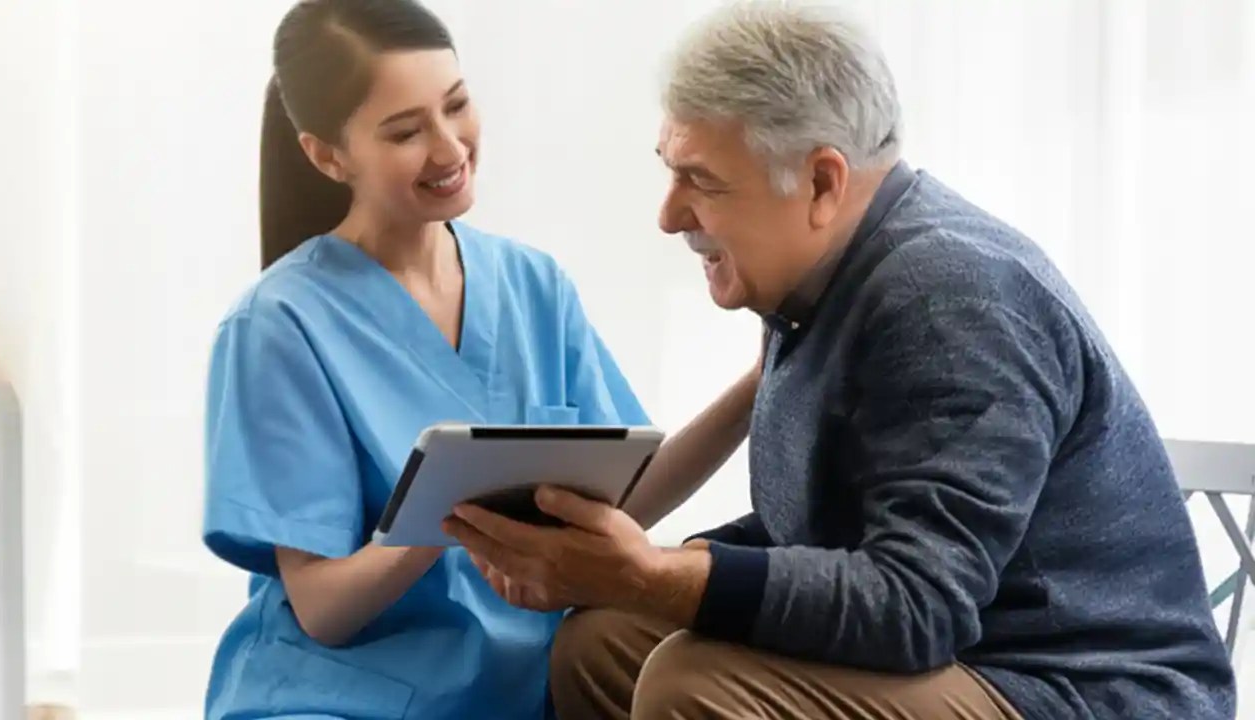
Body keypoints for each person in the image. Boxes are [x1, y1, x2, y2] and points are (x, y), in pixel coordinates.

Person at [442, 2, 1237, 719]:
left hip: (1079, 689)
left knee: (692, 681)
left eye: (702, 182)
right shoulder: (828, 287)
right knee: (605, 639)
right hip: (970, 655)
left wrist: (654, 573)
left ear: (822, 182)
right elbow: (829, 527)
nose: (669, 215)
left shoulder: (949, 300)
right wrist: (626, 571)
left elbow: (919, 604)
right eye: (668, 169)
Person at [199, 1, 759, 718]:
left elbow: (626, 501)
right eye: (405, 131)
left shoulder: (533, 286)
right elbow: (323, 610)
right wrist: (450, 509)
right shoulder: (278, 325)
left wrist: (759, 382)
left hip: (519, 690)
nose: (448, 147)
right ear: (327, 154)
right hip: (337, 697)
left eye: (456, 105)